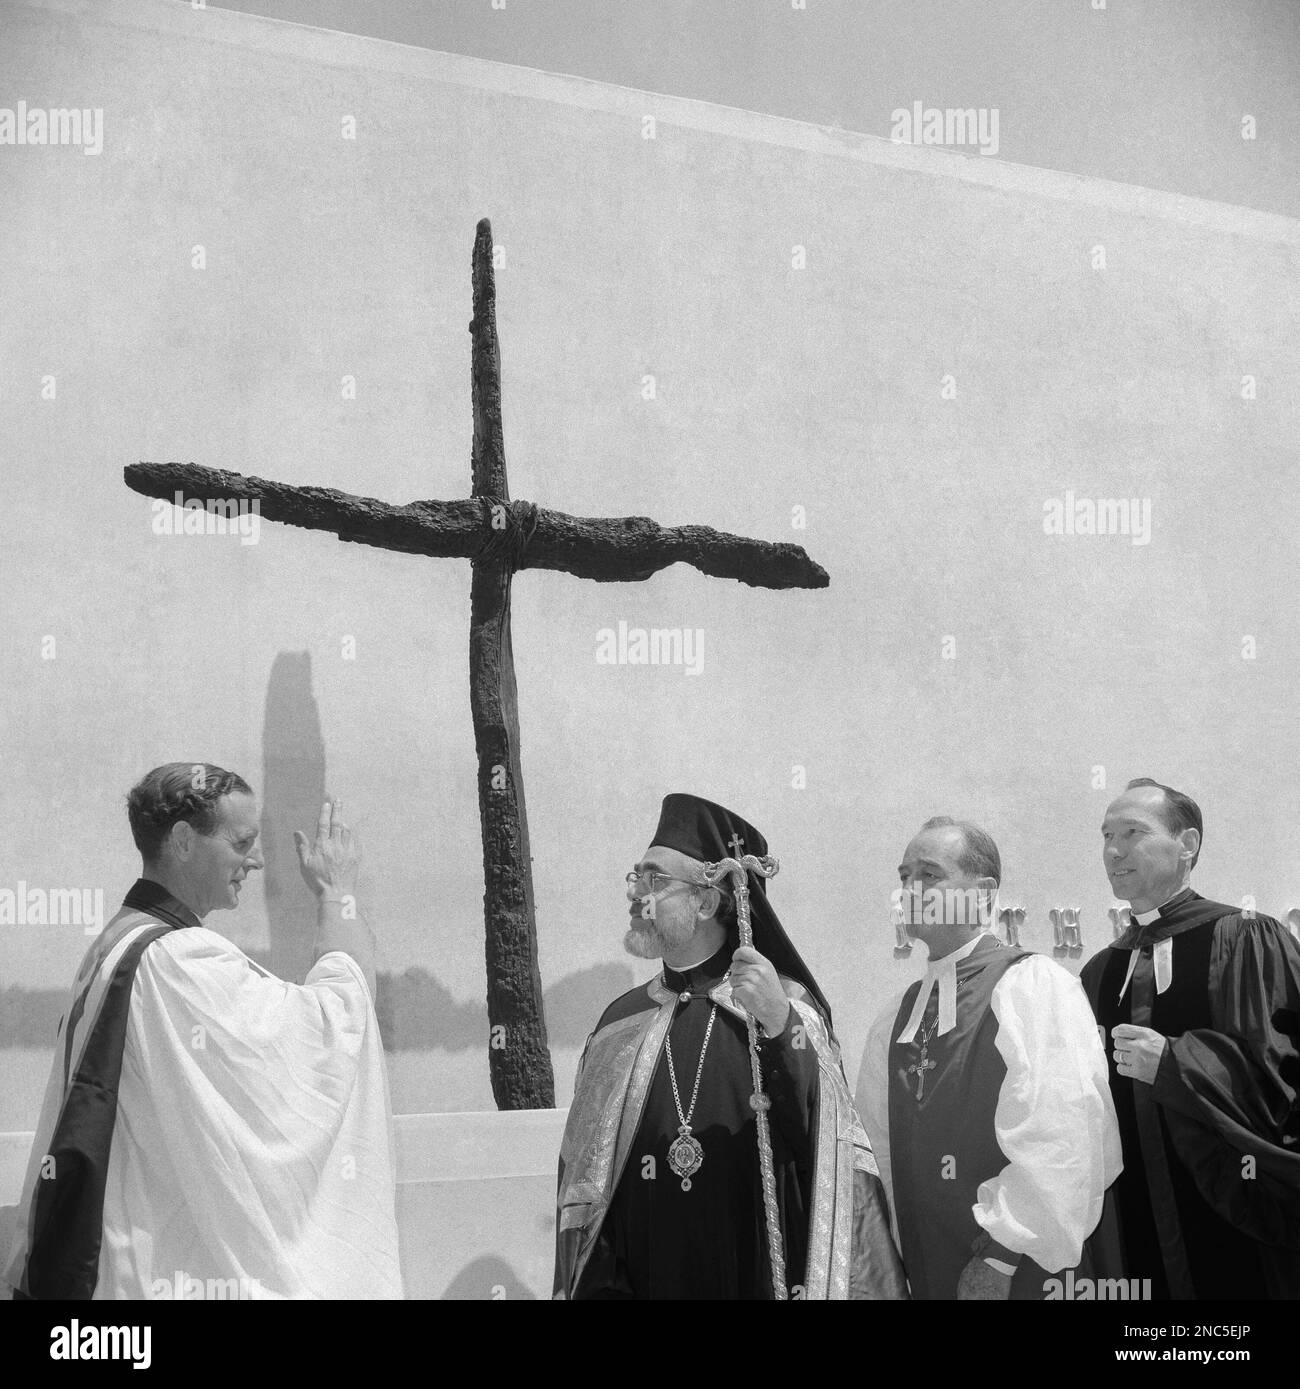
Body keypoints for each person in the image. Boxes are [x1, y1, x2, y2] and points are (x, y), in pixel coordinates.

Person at [3, 763, 402, 1300]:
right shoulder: (176, 959)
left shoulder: (114, 943)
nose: (256, 860)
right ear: (185, 840)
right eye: (241, 843)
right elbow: (332, 1029)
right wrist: (337, 893)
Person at [554, 793, 905, 1299]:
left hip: (752, 1269)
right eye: (637, 878)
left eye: (656, 880)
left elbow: (829, 1150)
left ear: (706, 900)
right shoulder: (619, 1023)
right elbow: (586, 1190)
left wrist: (781, 1028)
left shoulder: (780, 1005)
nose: (637, 895)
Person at [856, 816, 1121, 1299]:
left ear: (982, 893)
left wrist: (999, 1256)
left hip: (1018, 1276)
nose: (909, 890)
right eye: (903, 876)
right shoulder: (894, 1016)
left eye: (929, 875)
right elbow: (878, 1152)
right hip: (927, 1271)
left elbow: (1066, 1139)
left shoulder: (1034, 986)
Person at [1081, 777, 1300, 1299]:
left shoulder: (1248, 938)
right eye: (1106, 835)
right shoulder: (1099, 972)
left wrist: (1179, 1063)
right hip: (1135, 1215)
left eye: (1133, 832)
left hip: (1236, 1207)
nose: (1113, 851)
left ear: (1188, 845)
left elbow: (1286, 1076)